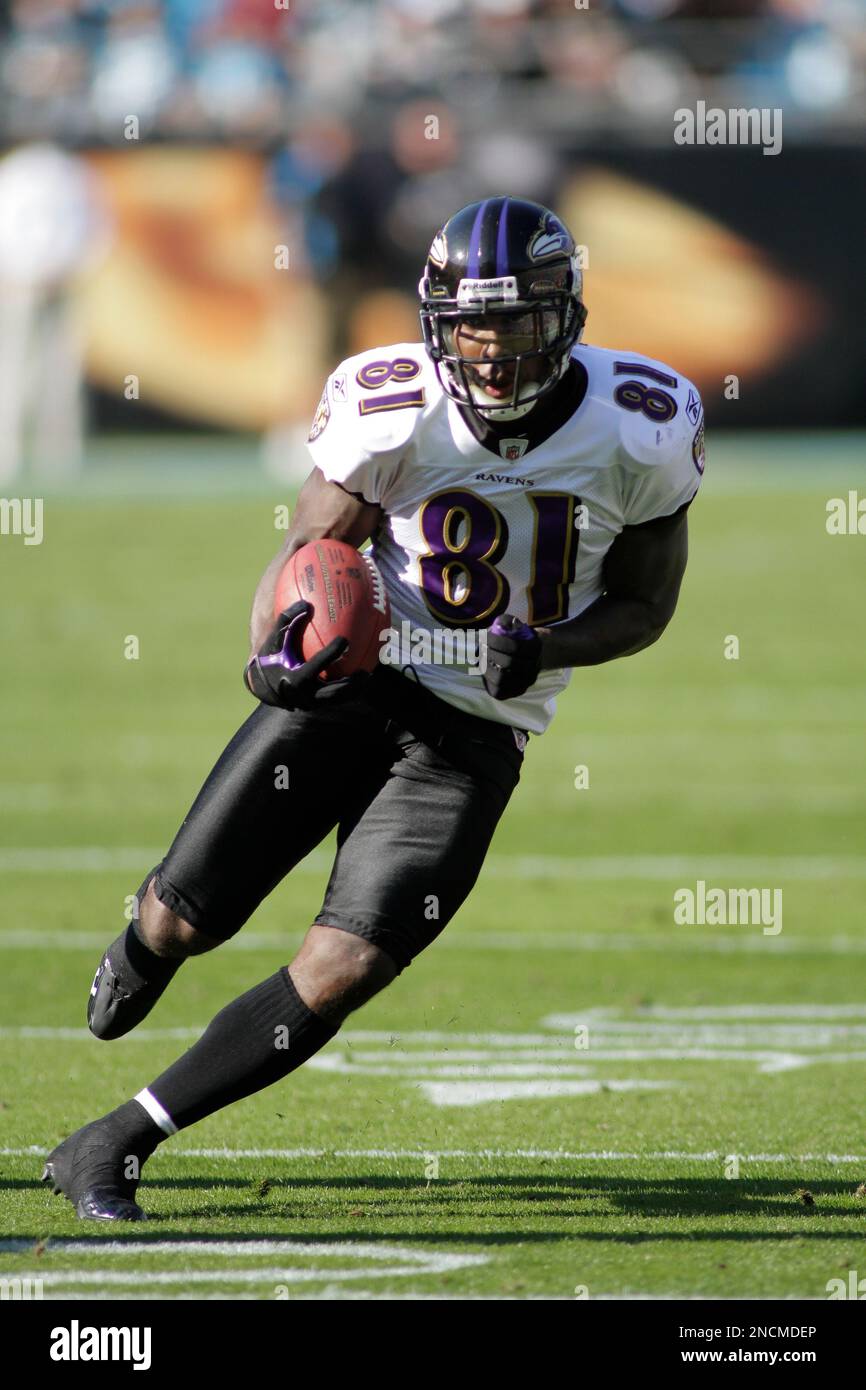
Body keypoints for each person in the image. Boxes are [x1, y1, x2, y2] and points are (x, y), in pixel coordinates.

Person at [44, 196, 705, 1220]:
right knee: (179, 921)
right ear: (438, 323)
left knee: (345, 961)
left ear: (565, 317)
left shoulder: (639, 425)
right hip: (355, 682)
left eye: (517, 324)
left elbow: (644, 605)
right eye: (472, 327)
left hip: (477, 729)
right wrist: (276, 644)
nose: (491, 354)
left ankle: (118, 1140)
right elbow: (311, 552)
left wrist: (549, 645)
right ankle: (142, 943)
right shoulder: (392, 404)